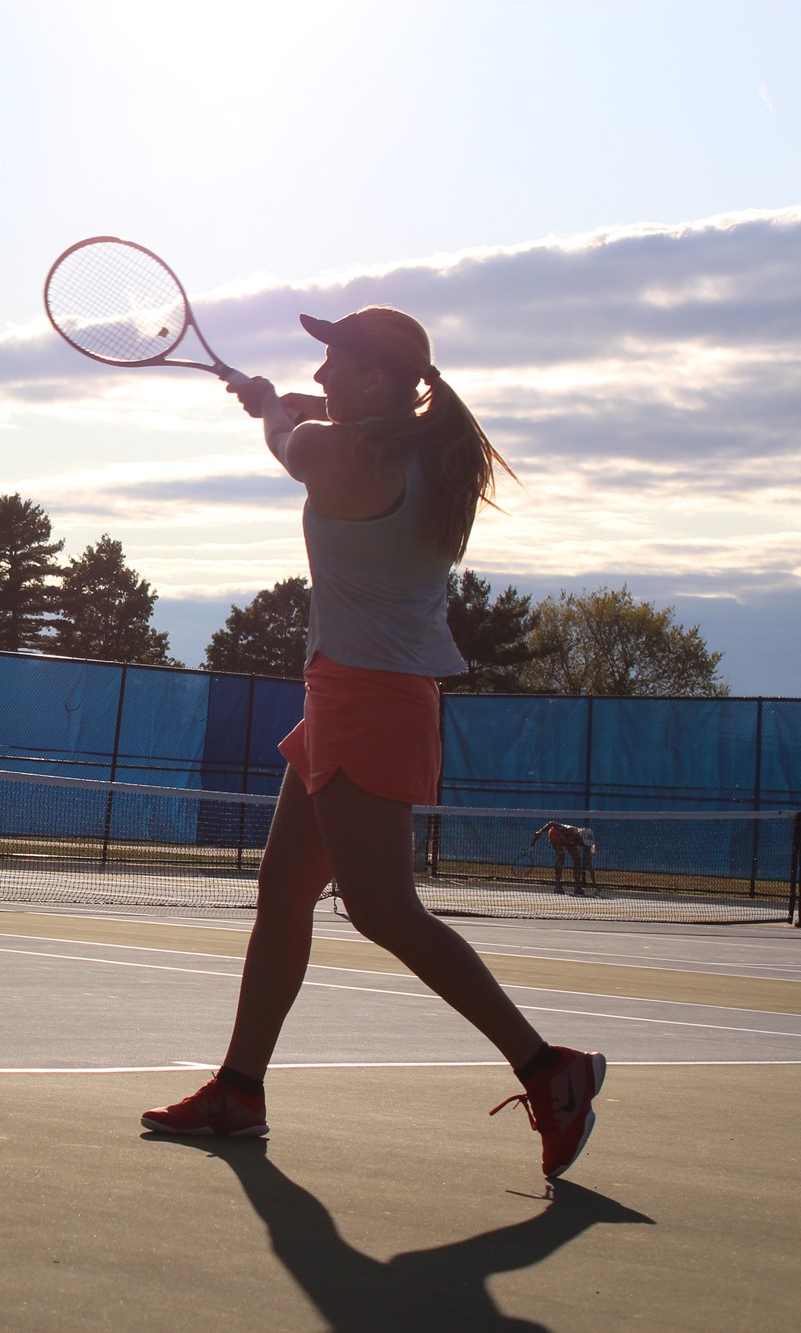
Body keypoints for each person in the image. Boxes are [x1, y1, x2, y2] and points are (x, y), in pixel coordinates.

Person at [140, 307, 606, 1180]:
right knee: (282, 891)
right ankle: (239, 1089)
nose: (319, 375)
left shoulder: (345, 454)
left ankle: (552, 1070)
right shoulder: (422, 455)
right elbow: (306, 423)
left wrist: (269, 408)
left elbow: (291, 442)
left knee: (383, 908)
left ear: (381, 380)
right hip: (351, 695)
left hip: (369, 700)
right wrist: (279, 403)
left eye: (333, 362)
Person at [531, 821, 598, 896]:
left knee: (577, 859)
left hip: (568, 841)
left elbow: (589, 864)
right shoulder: (570, 830)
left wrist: (594, 885)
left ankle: (577, 886)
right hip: (555, 834)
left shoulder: (586, 844)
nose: (583, 844)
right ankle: (557, 885)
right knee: (561, 857)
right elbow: (552, 823)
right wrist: (540, 832)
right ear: (580, 836)